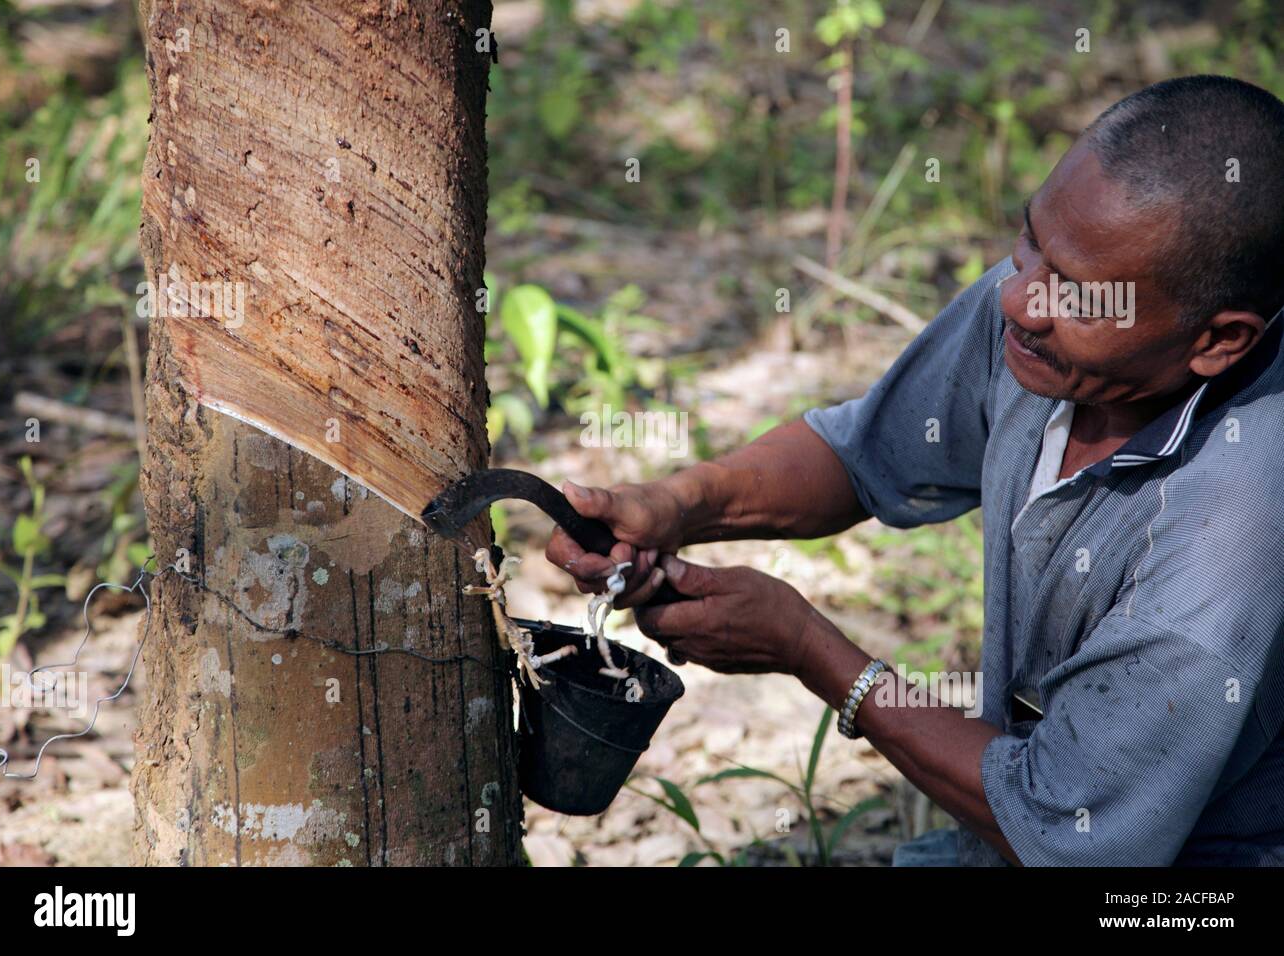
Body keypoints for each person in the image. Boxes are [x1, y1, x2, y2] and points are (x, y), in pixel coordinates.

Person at [545, 75, 1284, 866]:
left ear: (1218, 342)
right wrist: (675, 504)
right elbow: (863, 454)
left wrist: (811, 650)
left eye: (1076, 292)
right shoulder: (1048, 326)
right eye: (1030, 238)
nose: (1018, 301)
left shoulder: (1225, 538)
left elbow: (1065, 832)